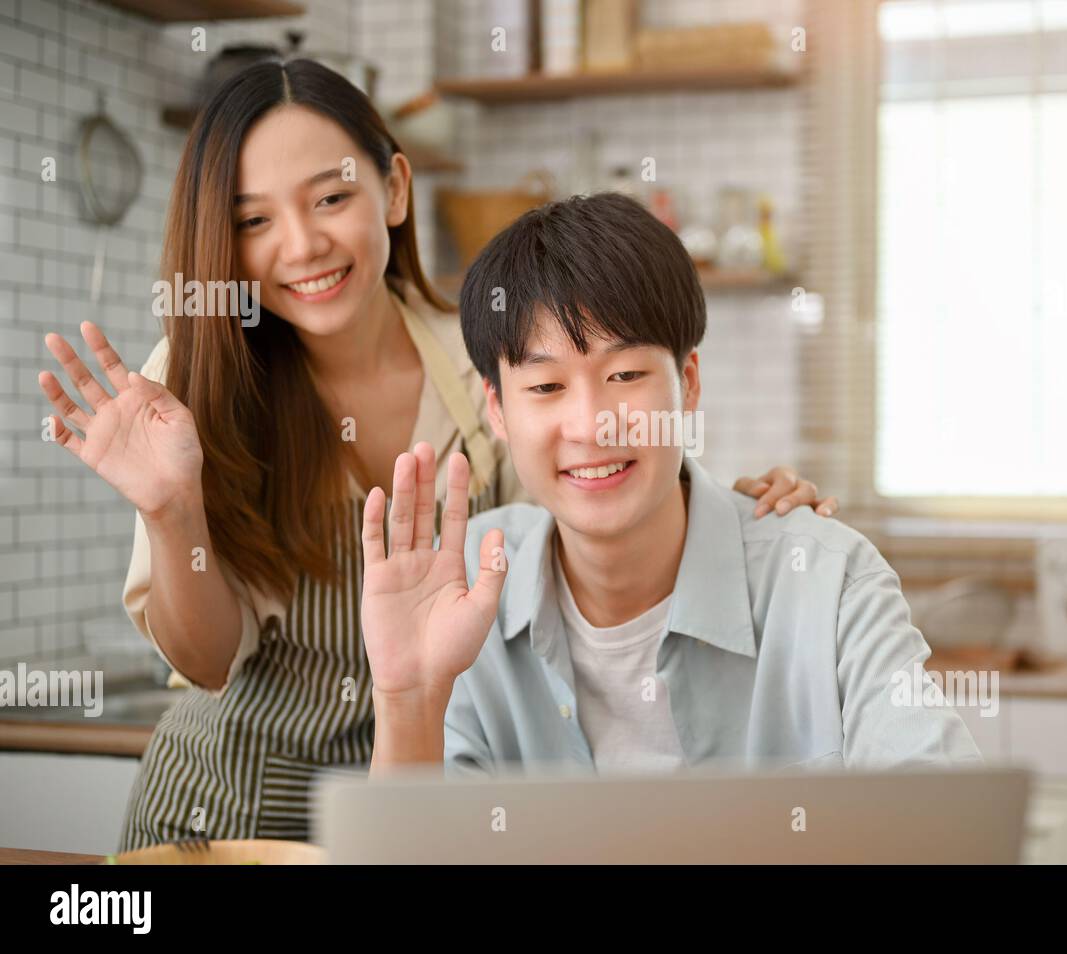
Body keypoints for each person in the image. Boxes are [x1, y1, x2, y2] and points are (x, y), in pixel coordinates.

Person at [34, 62, 835, 850]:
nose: (302, 245)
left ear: (394, 190)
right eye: (254, 221)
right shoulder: (195, 379)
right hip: (224, 819)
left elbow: (597, 504)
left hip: (430, 799)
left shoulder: (488, 363)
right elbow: (208, 663)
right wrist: (172, 510)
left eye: (331, 198)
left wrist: (733, 518)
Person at [360, 192, 983, 775]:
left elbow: (943, 816)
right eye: (546, 386)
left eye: (626, 375)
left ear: (688, 383)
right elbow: (422, 839)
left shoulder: (825, 580)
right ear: (497, 409)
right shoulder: (466, 584)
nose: (592, 424)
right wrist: (407, 699)